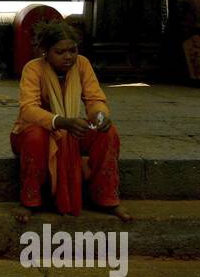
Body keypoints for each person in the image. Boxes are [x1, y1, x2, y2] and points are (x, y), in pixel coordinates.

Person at [9, 20, 131, 223]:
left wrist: (100, 116)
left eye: (72, 50)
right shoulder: (33, 69)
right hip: (35, 131)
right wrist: (61, 122)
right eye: (60, 52)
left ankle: (107, 198)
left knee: (107, 133)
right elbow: (28, 110)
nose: (68, 57)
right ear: (46, 52)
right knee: (36, 136)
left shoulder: (82, 64)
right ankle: (30, 200)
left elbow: (95, 99)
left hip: (71, 127)